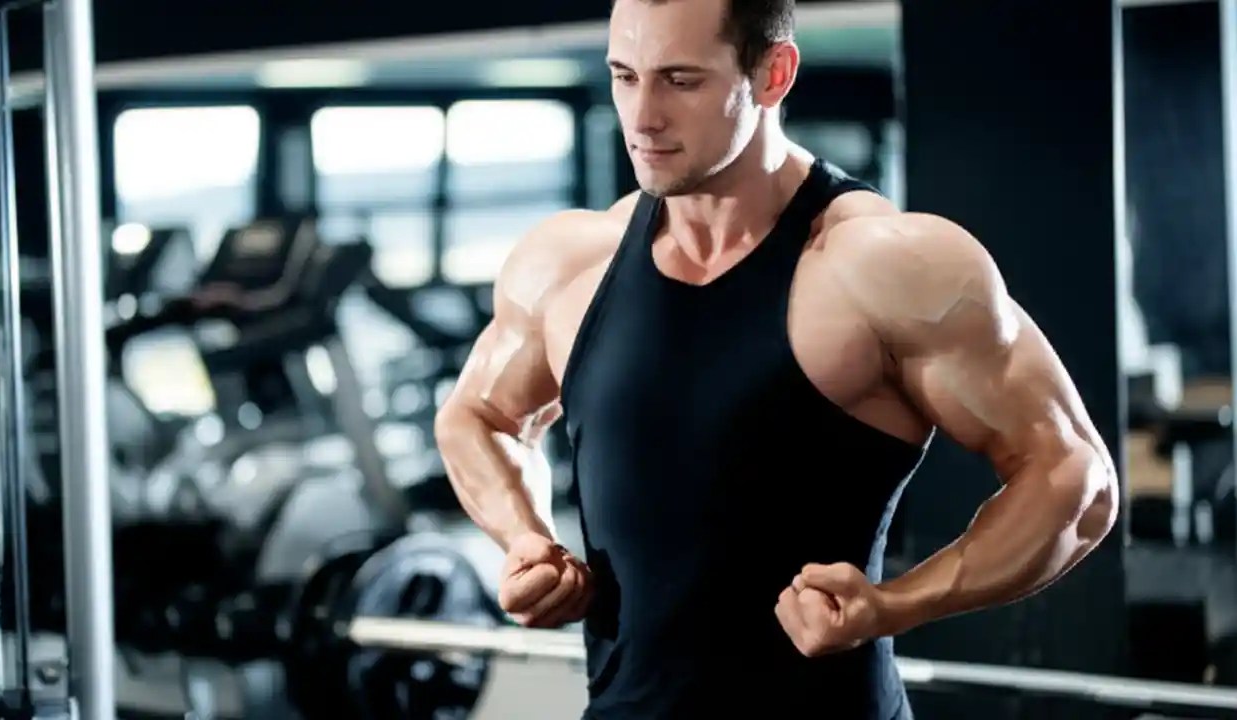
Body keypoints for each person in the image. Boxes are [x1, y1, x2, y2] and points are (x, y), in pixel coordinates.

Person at [433, 0, 1120, 717]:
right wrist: (525, 542)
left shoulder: (886, 265)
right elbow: (477, 416)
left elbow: (1075, 479)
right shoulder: (571, 261)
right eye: (624, 76)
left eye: (680, 80)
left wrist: (896, 606)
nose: (642, 116)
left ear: (772, 74)